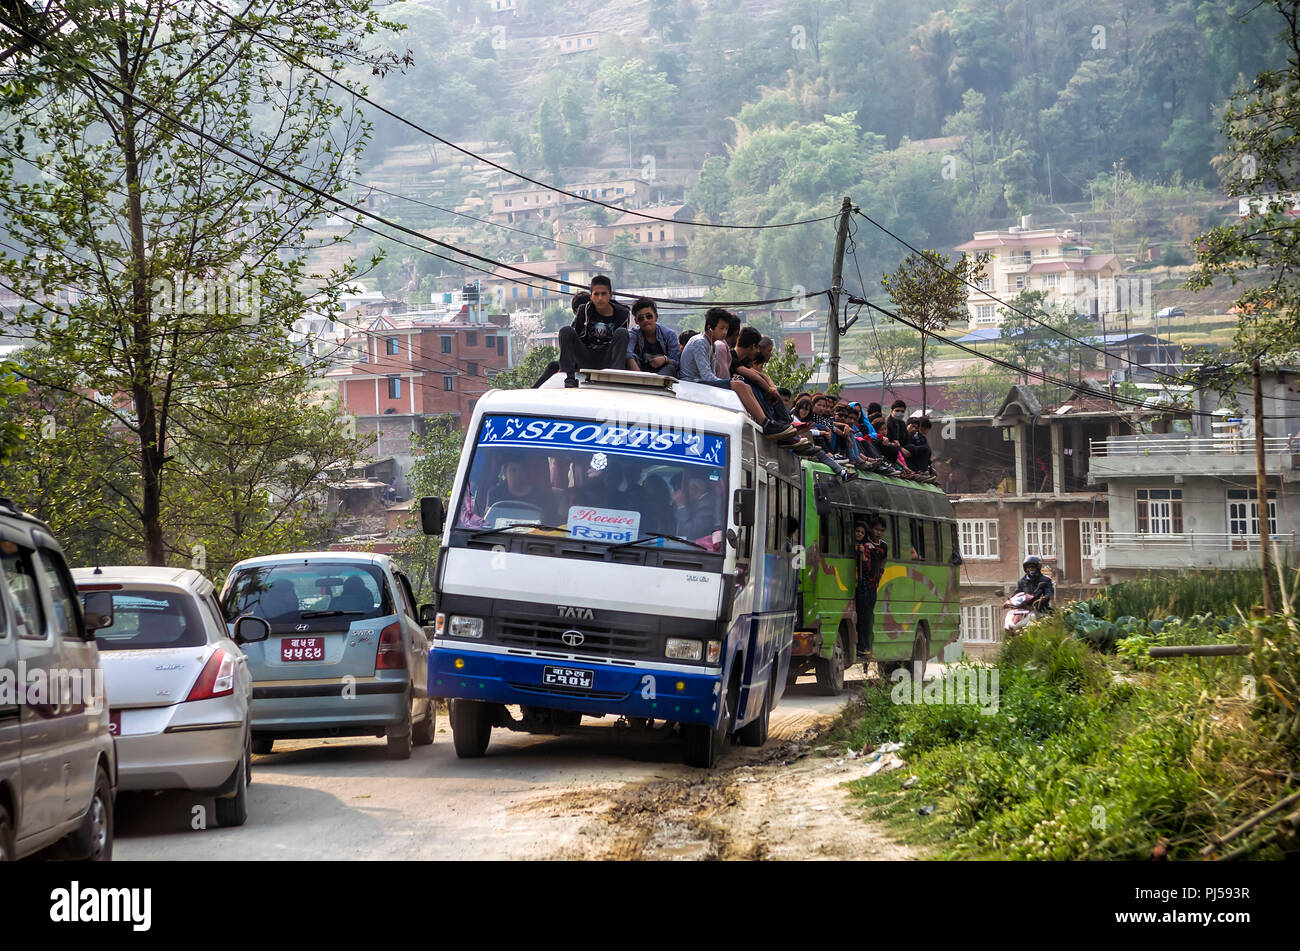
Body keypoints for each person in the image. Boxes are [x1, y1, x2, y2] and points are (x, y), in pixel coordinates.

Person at [678, 309, 795, 438]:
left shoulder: (712, 345)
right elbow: (707, 376)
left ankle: (767, 422)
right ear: (710, 327)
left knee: (744, 387)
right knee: (740, 385)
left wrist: (728, 384)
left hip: (702, 382)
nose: (724, 332)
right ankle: (766, 424)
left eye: (726, 329)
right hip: (692, 383)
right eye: (721, 328)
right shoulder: (700, 342)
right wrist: (730, 384)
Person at [558, 275, 631, 386]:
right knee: (566, 330)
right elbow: (575, 338)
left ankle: (617, 377)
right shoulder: (584, 310)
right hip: (586, 356)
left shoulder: (622, 314)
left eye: (603, 294)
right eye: (596, 294)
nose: (600, 298)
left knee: (622, 332)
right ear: (591, 296)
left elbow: (621, 346)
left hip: (608, 358)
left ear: (610, 295)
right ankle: (570, 379)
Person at [532, 291, 590, 388]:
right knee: (553, 366)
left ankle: (570, 378)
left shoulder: (592, 324)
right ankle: (533, 390)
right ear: (576, 312)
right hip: (576, 362)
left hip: (589, 361)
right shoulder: (574, 326)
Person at [486, 455, 557, 522]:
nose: (518, 475)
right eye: (513, 471)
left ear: (526, 473)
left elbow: (545, 524)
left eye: (521, 470)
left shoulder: (539, 496)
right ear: (505, 473)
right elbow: (489, 521)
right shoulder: (495, 493)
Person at [855, 516, 888, 657]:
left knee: (868, 616)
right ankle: (862, 646)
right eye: (876, 529)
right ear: (871, 530)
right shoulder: (865, 544)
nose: (878, 533)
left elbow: (883, 561)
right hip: (863, 585)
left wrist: (881, 573)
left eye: (881, 530)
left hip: (873, 586)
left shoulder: (884, 546)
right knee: (862, 616)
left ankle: (866, 646)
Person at [626, 297, 680, 375]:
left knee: (670, 368)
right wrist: (639, 374)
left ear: (656, 316)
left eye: (649, 316)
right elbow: (628, 352)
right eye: (641, 318)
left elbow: (676, 362)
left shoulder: (669, 335)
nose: (645, 320)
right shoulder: (634, 334)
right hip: (641, 372)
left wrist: (665, 359)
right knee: (629, 359)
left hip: (662, 374)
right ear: (636, 321)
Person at [675, 470, 724, 542]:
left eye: (687, 488)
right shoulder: (701, 503)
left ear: (695, 489)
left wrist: (681, 506)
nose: (685, 492)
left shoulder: (706, 506)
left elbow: (690, 532)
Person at [905, 416, 938, 483]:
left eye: (916, 427)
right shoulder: (907, 436)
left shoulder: (921, 437)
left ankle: (925, 473)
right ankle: (921, 472)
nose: (914, 429)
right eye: (913, 426)